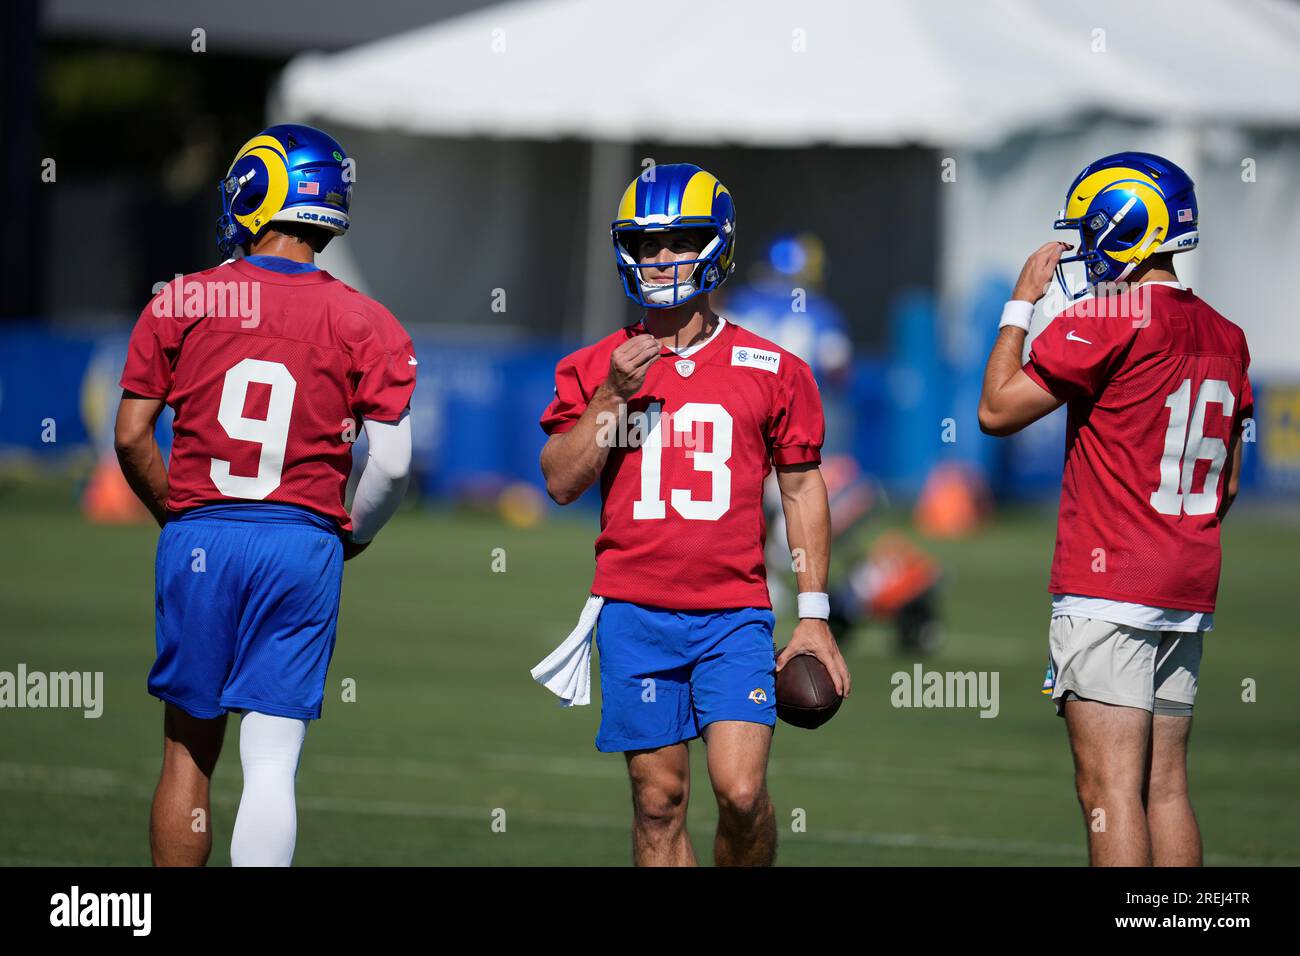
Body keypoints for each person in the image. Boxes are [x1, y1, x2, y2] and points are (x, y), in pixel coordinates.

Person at [114, 124, 416, 866]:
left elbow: (129, 436)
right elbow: (395, 464)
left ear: (260, 190)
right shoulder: (365, 319)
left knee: (187, 756)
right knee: (274, 760)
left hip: (202, 536)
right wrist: (354, 536)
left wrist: (177, 513)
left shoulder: (183, 299)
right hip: (301, 540)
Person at [534, 163, 851, 866]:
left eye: (679, 241)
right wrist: (612, 397)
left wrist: (816, 614)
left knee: (741, 792)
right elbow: (559, 481)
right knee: (658, 803)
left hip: (732, 613)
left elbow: (801, 491)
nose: (661, 258)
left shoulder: (774, 369)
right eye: (647, 245)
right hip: (634, 612)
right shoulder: (595, 365)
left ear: (716, 246)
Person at [978, 152, 1252, 866]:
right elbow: (1225, 486)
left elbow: (996, 410)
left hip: (1111, 582)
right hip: (1187, 578)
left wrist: (1020, 305)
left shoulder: (1110, 317)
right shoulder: (1226, 334)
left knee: (1109, 793)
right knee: (1165, 788)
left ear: (1125, 226)